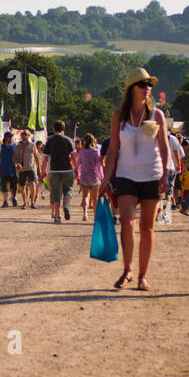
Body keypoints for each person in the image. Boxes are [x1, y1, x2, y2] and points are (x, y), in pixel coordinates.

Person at [100, 68, 170, 291]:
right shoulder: (119, 117)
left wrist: (166, 174)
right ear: (131, 89)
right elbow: (113, 149)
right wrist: (106, 178)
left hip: (152, 174)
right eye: (143, 84)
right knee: (127, 224)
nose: (148, 88)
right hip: (126, 175)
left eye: (150, 84)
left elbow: (164, 146)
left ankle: (143, 276)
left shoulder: (156, 115)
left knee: (147, 228)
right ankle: (127, 270)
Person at [43, 120, 75, 223]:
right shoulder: (68, 140)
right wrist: (78, 170)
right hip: (67, 169)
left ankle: (57, 215)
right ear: (63, 128)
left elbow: (45, 159)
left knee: (55, 192)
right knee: (68, 189)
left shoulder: (50, 141)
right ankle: (65, 205)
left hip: (54, 170)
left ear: (54, 129)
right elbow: (74, 157)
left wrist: (42, 171)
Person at [72, 135, 102, 222]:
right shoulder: (96, 152)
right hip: (94, 177)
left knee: (85, 196)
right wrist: (101, 176)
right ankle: (95, 215)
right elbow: (98, 166)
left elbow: (78, 164)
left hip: (84, 176)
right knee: (95, 198)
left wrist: (77, 173)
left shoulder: (81, 152)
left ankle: (85, 213)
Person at [15, 131, 38, 209]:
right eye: (23, 134)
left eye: (26, 134)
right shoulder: (18, 146)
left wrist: (40, 168)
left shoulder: (32, 145)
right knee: (22, 185)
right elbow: (14, 157)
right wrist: (17, 164)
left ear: (29, 136)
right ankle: (25, 202)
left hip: (31, 167)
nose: (24, 136)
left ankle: (32, 202)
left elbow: (36, 156)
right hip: (22, 168)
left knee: (32, 184)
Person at [0, 132, 19, 207]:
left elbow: (17, 156)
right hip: (4, 168)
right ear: (6, 137)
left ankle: (14, 198)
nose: (11, 138)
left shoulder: (14, 146)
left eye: (11, 137)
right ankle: (5, 201)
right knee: (5, 186)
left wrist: (18, 164)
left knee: (14, 186)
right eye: (10, 137)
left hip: (13, 168)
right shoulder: (1, 147)